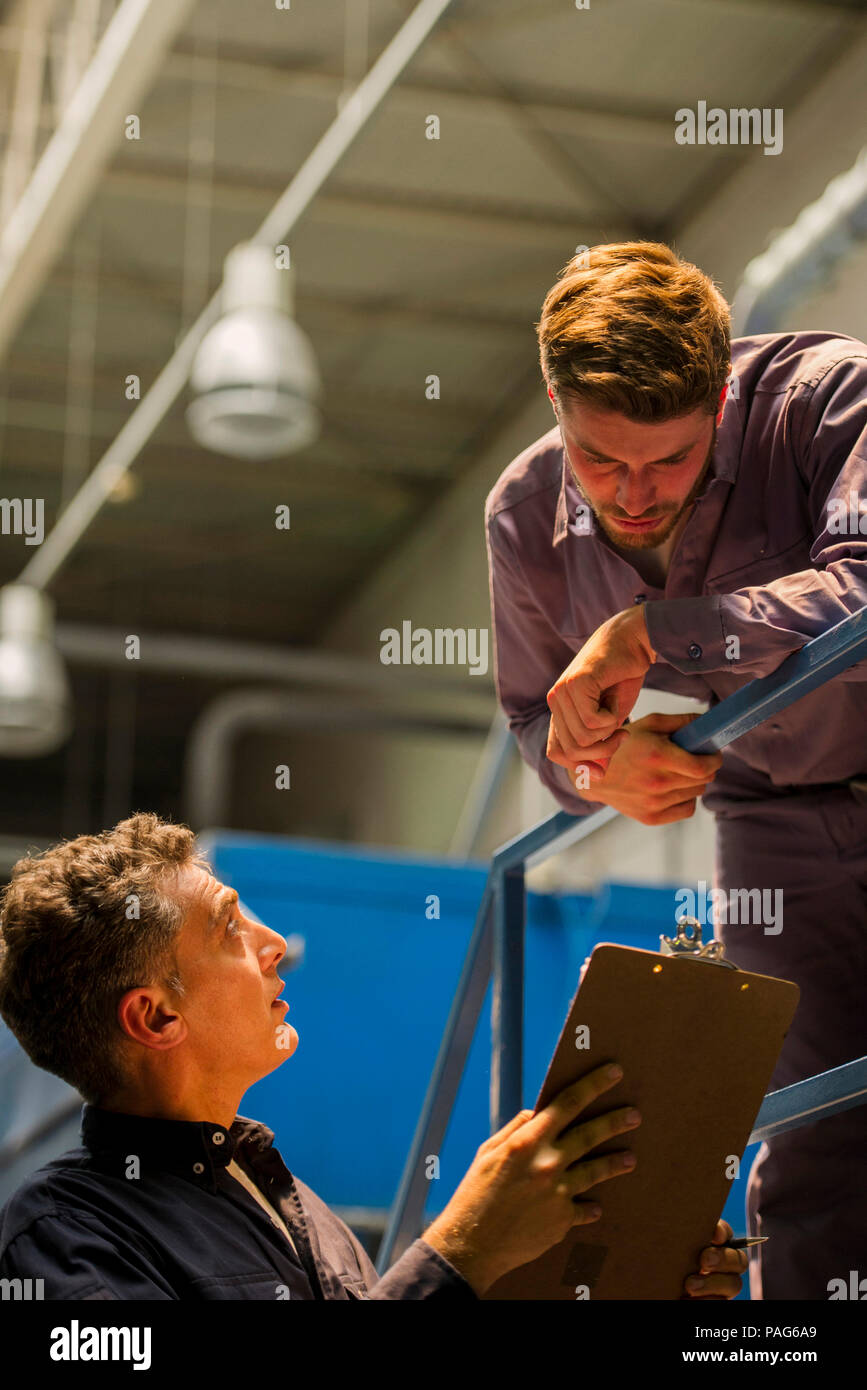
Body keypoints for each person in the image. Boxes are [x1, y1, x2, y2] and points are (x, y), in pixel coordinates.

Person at [485, 239, 867, 1300]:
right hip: (773, 815)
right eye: (601, 460)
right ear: (556, 404)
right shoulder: (524, 518)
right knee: (806, 1145)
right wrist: (602, 774)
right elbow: (530, 717)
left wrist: (661, 632)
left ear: (725, 393)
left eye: (673, 459)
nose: (636, 493)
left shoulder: (828, 397)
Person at [0, 812, 741, 1300]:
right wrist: (457, 1252)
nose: (275, 946)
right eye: (229, 928)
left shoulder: (279, 1193)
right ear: (157, 1015)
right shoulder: (65, 1237)